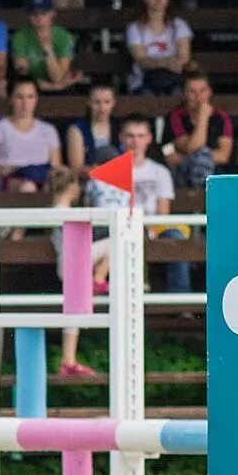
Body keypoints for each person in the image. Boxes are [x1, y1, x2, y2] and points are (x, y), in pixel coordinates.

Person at [87, 115, 189, 293]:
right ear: (121, 137)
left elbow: (163, 214)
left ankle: (181, 298)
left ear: (149, 138)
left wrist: (148, 229)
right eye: (130, 136)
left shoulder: (160, 172)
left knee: (176, 236)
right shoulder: (109, 170)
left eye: (141, 136)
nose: (135, 142)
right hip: (117, 228)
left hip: (151, 228)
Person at [45, 167, 101, 379]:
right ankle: (98, 279)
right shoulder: (61, 210)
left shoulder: (58, 209)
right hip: (73, 261)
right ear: (71, 187)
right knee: (115, 242)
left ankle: (68, 360)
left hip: (72, 262)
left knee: (73, 311)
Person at [0, 78, 62, 192]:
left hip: (42, 180)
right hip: (7, 180)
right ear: (11, 99)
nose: (25, 103)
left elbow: (56, 167)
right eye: (19, 97)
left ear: (36, 99)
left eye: (30, 97)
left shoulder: (49, 130)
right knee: (28, 187)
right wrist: (8, 170)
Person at [165, 67, 234, 189]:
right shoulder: (175, 116)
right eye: (192, 91)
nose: (198, 96)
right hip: (184, 175)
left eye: (203, 91)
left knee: (203, 157)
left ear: (210, 92)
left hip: (216, 174)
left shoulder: (221, 117)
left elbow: (224, 156)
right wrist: (203, 118)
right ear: (184, 94)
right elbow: (191, 148)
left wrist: (195, 157)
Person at [124, 0, 193, 95]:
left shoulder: (179, 25)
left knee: (179, 94)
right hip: (143, 82)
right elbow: (142, 61)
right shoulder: (134, 27)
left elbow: (183, 59)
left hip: (174, 80)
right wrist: (167, 63)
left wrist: (157, 63)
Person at [10, 0, 83, 93]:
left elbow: (58, 78)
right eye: (34, 15)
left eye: (44, 14)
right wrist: (51, 87)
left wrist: (47, 49)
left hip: (61, 89)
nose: (39, 19)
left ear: (52, 14)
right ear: (28, 16)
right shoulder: (19, 37)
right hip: (31, 88)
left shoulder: (64, 37)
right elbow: (23, 74)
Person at [65, 82, 123, 171]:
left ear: (114, 103)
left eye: (107, 102)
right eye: (97, 102)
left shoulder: (121, 128)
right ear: (88, 102)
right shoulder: (77, 129)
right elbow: (76, 168)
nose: (102, 107)